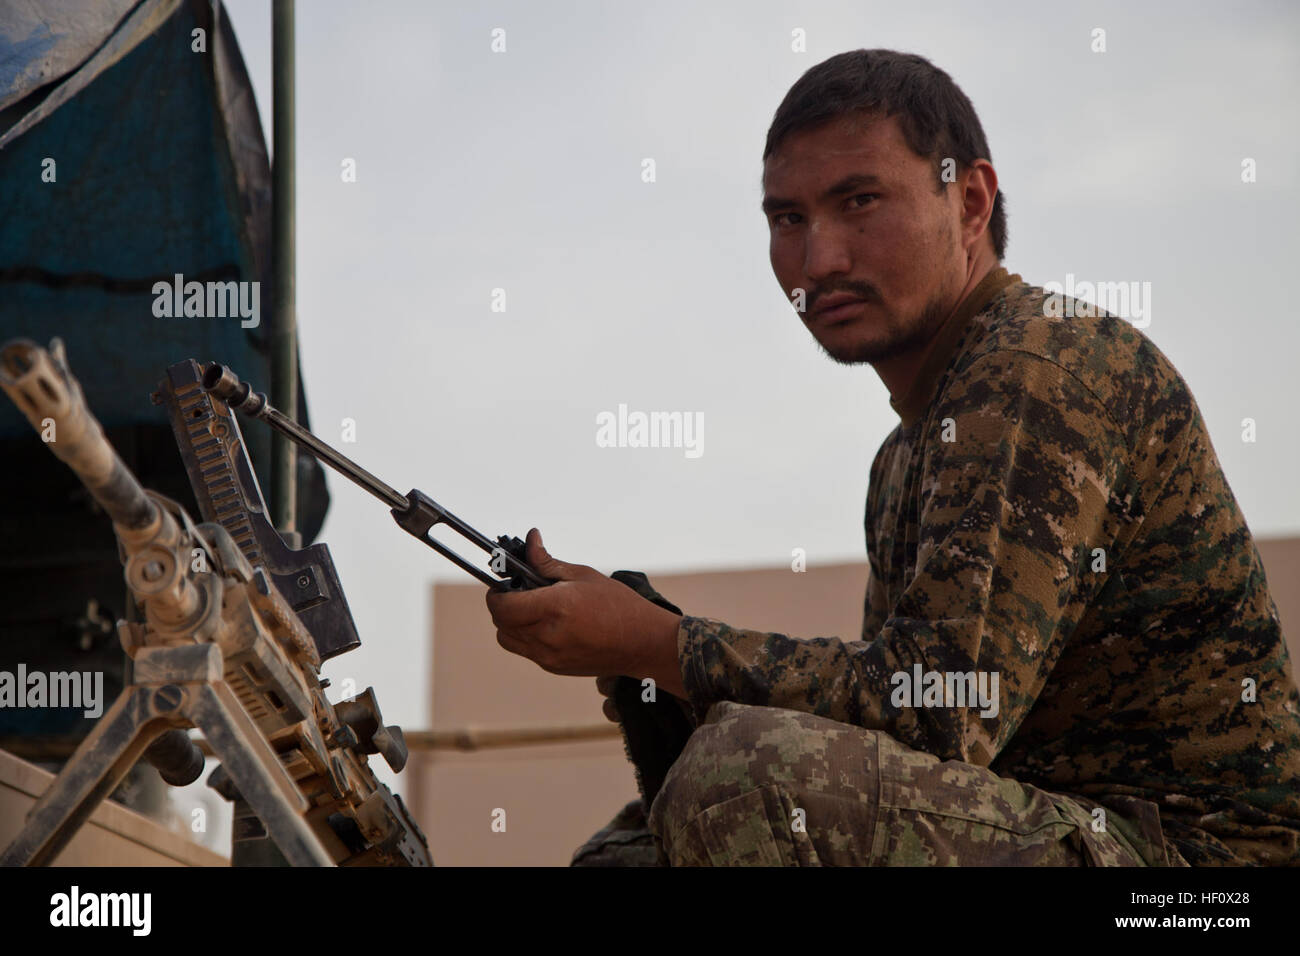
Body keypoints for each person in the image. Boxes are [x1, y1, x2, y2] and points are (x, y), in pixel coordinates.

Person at [485, 49, 1300, 866]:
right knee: (627, 850)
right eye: (788, 219)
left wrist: (660, 645)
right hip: (1070, 829)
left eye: (860, 201)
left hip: (1203, 879)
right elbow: (898, 743)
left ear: (970, 201)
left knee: (747, 777)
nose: (820, 262)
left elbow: (943, 711)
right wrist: (656, 662)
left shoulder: (1038, 366)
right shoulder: (904, 453)